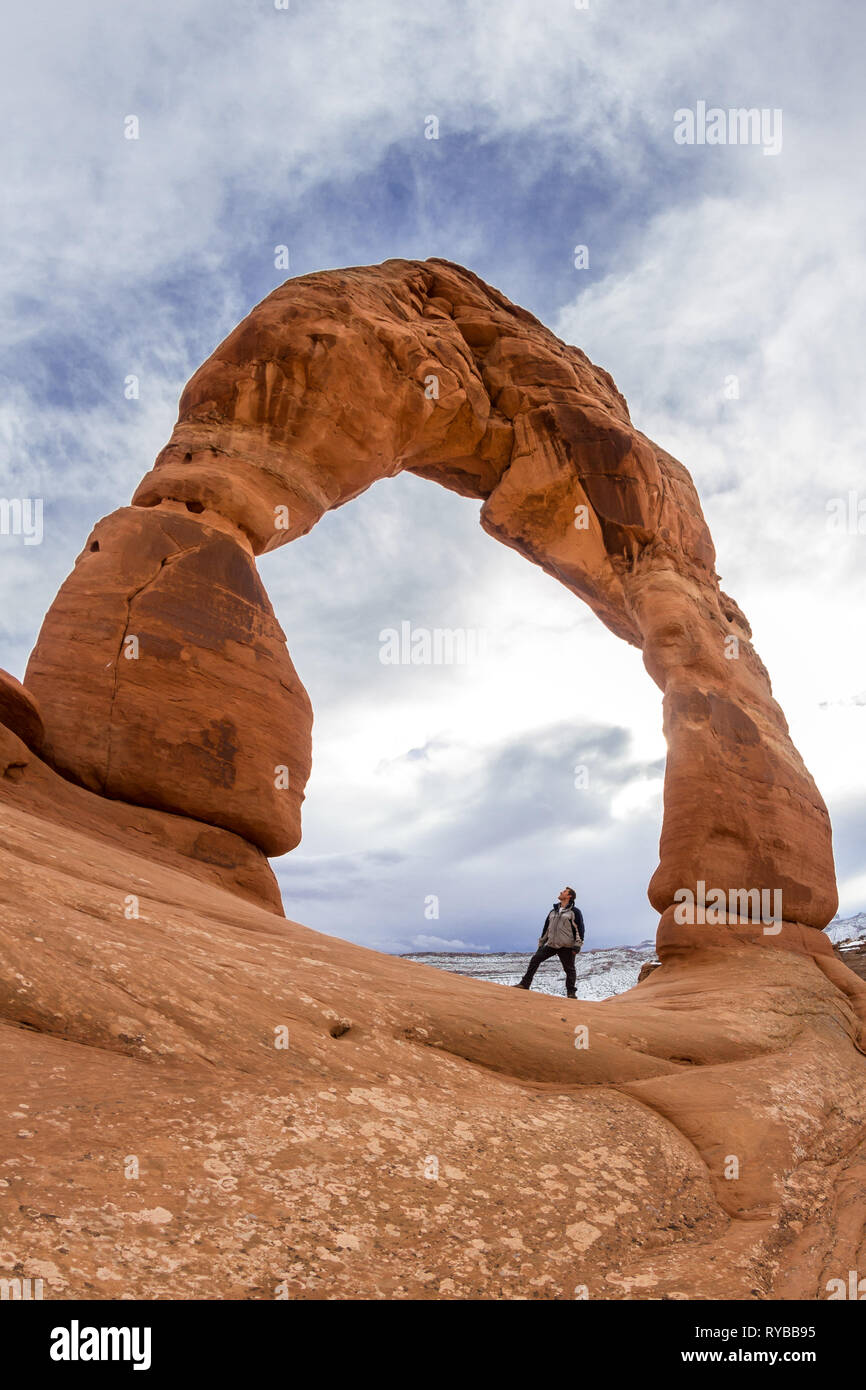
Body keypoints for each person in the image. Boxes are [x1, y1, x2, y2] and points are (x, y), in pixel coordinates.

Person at [512, 887, 585, 998]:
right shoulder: (553, 911)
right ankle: (525, 984)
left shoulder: (574, 912)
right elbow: (546, 928)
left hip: (566, 946)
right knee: (535, 959)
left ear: (569, 896)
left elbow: (579, 929)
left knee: (569, 969)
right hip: (551, 944)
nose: (561, 892)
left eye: (564, 891)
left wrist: (577, 946)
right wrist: (541, 943)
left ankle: (571, 993)